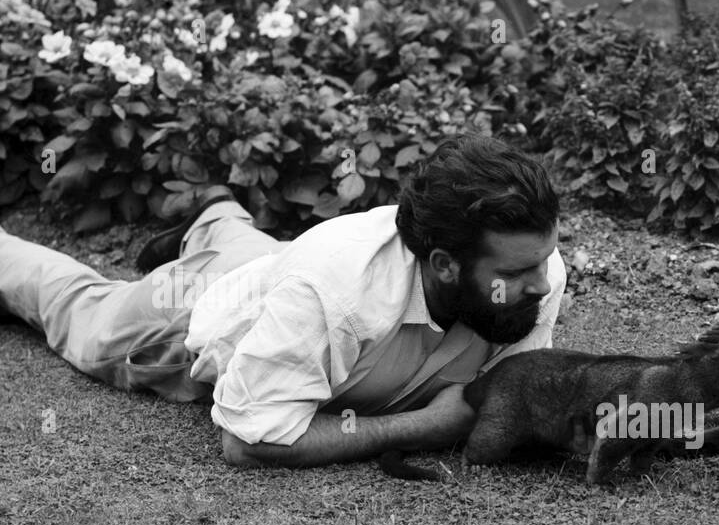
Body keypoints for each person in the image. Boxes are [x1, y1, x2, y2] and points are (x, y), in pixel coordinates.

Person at [0, 134, 566, 469]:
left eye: (544, 261)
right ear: (444, 262)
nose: (542, 285)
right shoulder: (335, 294)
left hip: (278, 272)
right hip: (192, 313)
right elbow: (249, 440)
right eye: (518, 272)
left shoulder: (536, 269)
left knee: (268, 263)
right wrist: (424, 427)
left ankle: (216, 214)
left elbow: (509, 387)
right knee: (80, 309)